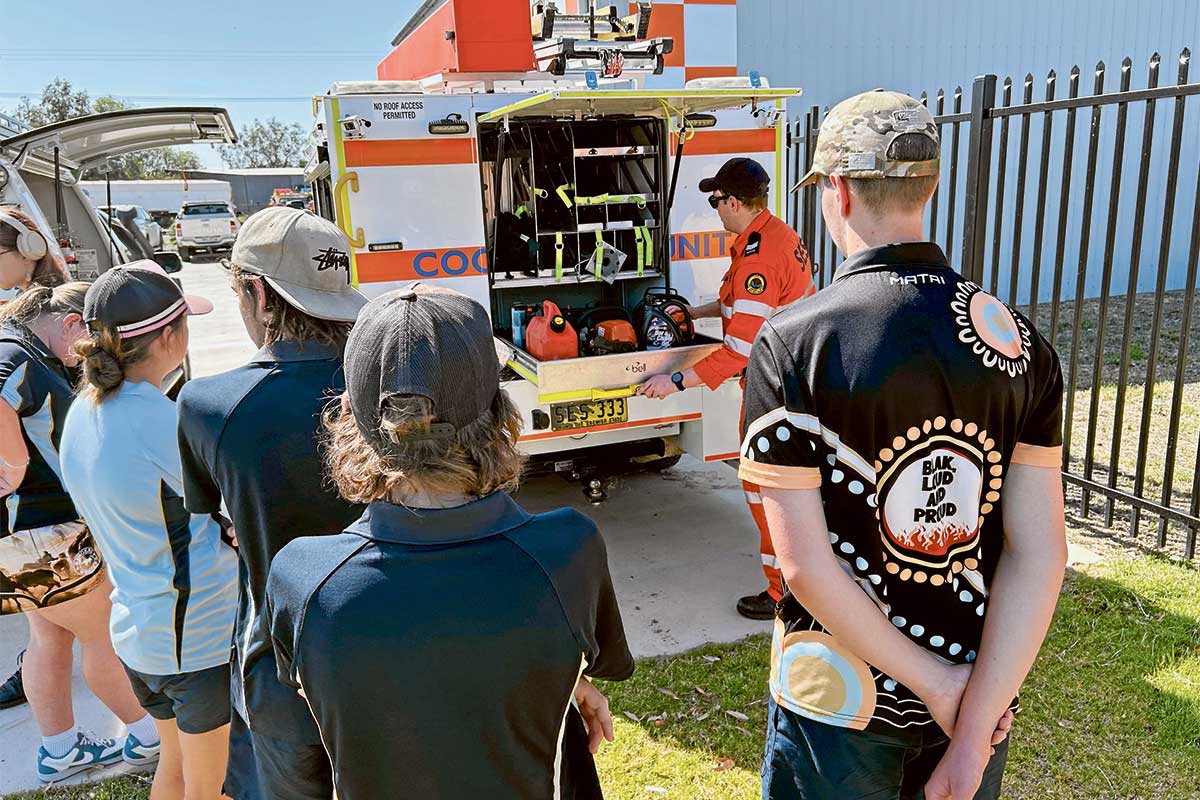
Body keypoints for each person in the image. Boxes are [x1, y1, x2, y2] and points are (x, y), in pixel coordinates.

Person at [740, 90, 1066, 799]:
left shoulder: (794, 344)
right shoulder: (1018, 343)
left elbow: (804, 566)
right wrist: (971, 715)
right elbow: (1042, 551)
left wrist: (938, 686)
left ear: (838, 192)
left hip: (838, 703)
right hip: (977, 698)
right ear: (933, 185)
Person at [266, 284, 635, 800]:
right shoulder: (567, 550)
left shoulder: (302, 578)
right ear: (499, 409)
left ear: (349, 412)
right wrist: (559, 672)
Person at [176, 206, 367, 800]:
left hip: (284, 667)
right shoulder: (391, 386)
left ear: (258, 294)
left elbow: (216, 513)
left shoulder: (209, 404)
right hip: (398, 644)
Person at [60, 262, 239, 800]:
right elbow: (227, 502)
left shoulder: (83, 412)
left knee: (178, 772)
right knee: (213, 787)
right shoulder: (159, 417)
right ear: (168, 336)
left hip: (139, 633)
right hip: (195, 639)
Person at [637, 158, 816, 620]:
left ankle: (784, 598)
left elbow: (740, 349)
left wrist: (673, 380)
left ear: (734, 201)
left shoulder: (759, 256)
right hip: (790, 384)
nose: (715, 210)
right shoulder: (774, 236)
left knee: (764, 494)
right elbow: (744, 304)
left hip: (773, 393)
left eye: (717, 201)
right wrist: (695, 315)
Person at [0, 282, 158, 782]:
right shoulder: (15, 353)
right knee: (104, 636)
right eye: (89, 340)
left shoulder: (19, 348)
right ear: (70, 324)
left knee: (48, 636)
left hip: (23, 538)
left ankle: (60, 750)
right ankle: (148, 735)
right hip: (43, 533)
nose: (88, 357)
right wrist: (13, 464)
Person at [0, 206, 74, 709]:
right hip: (46, 511)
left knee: (56, 628)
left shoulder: (37, 320)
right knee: (61, 628)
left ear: (27, 254)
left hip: (48, 505)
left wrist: (15, 465)